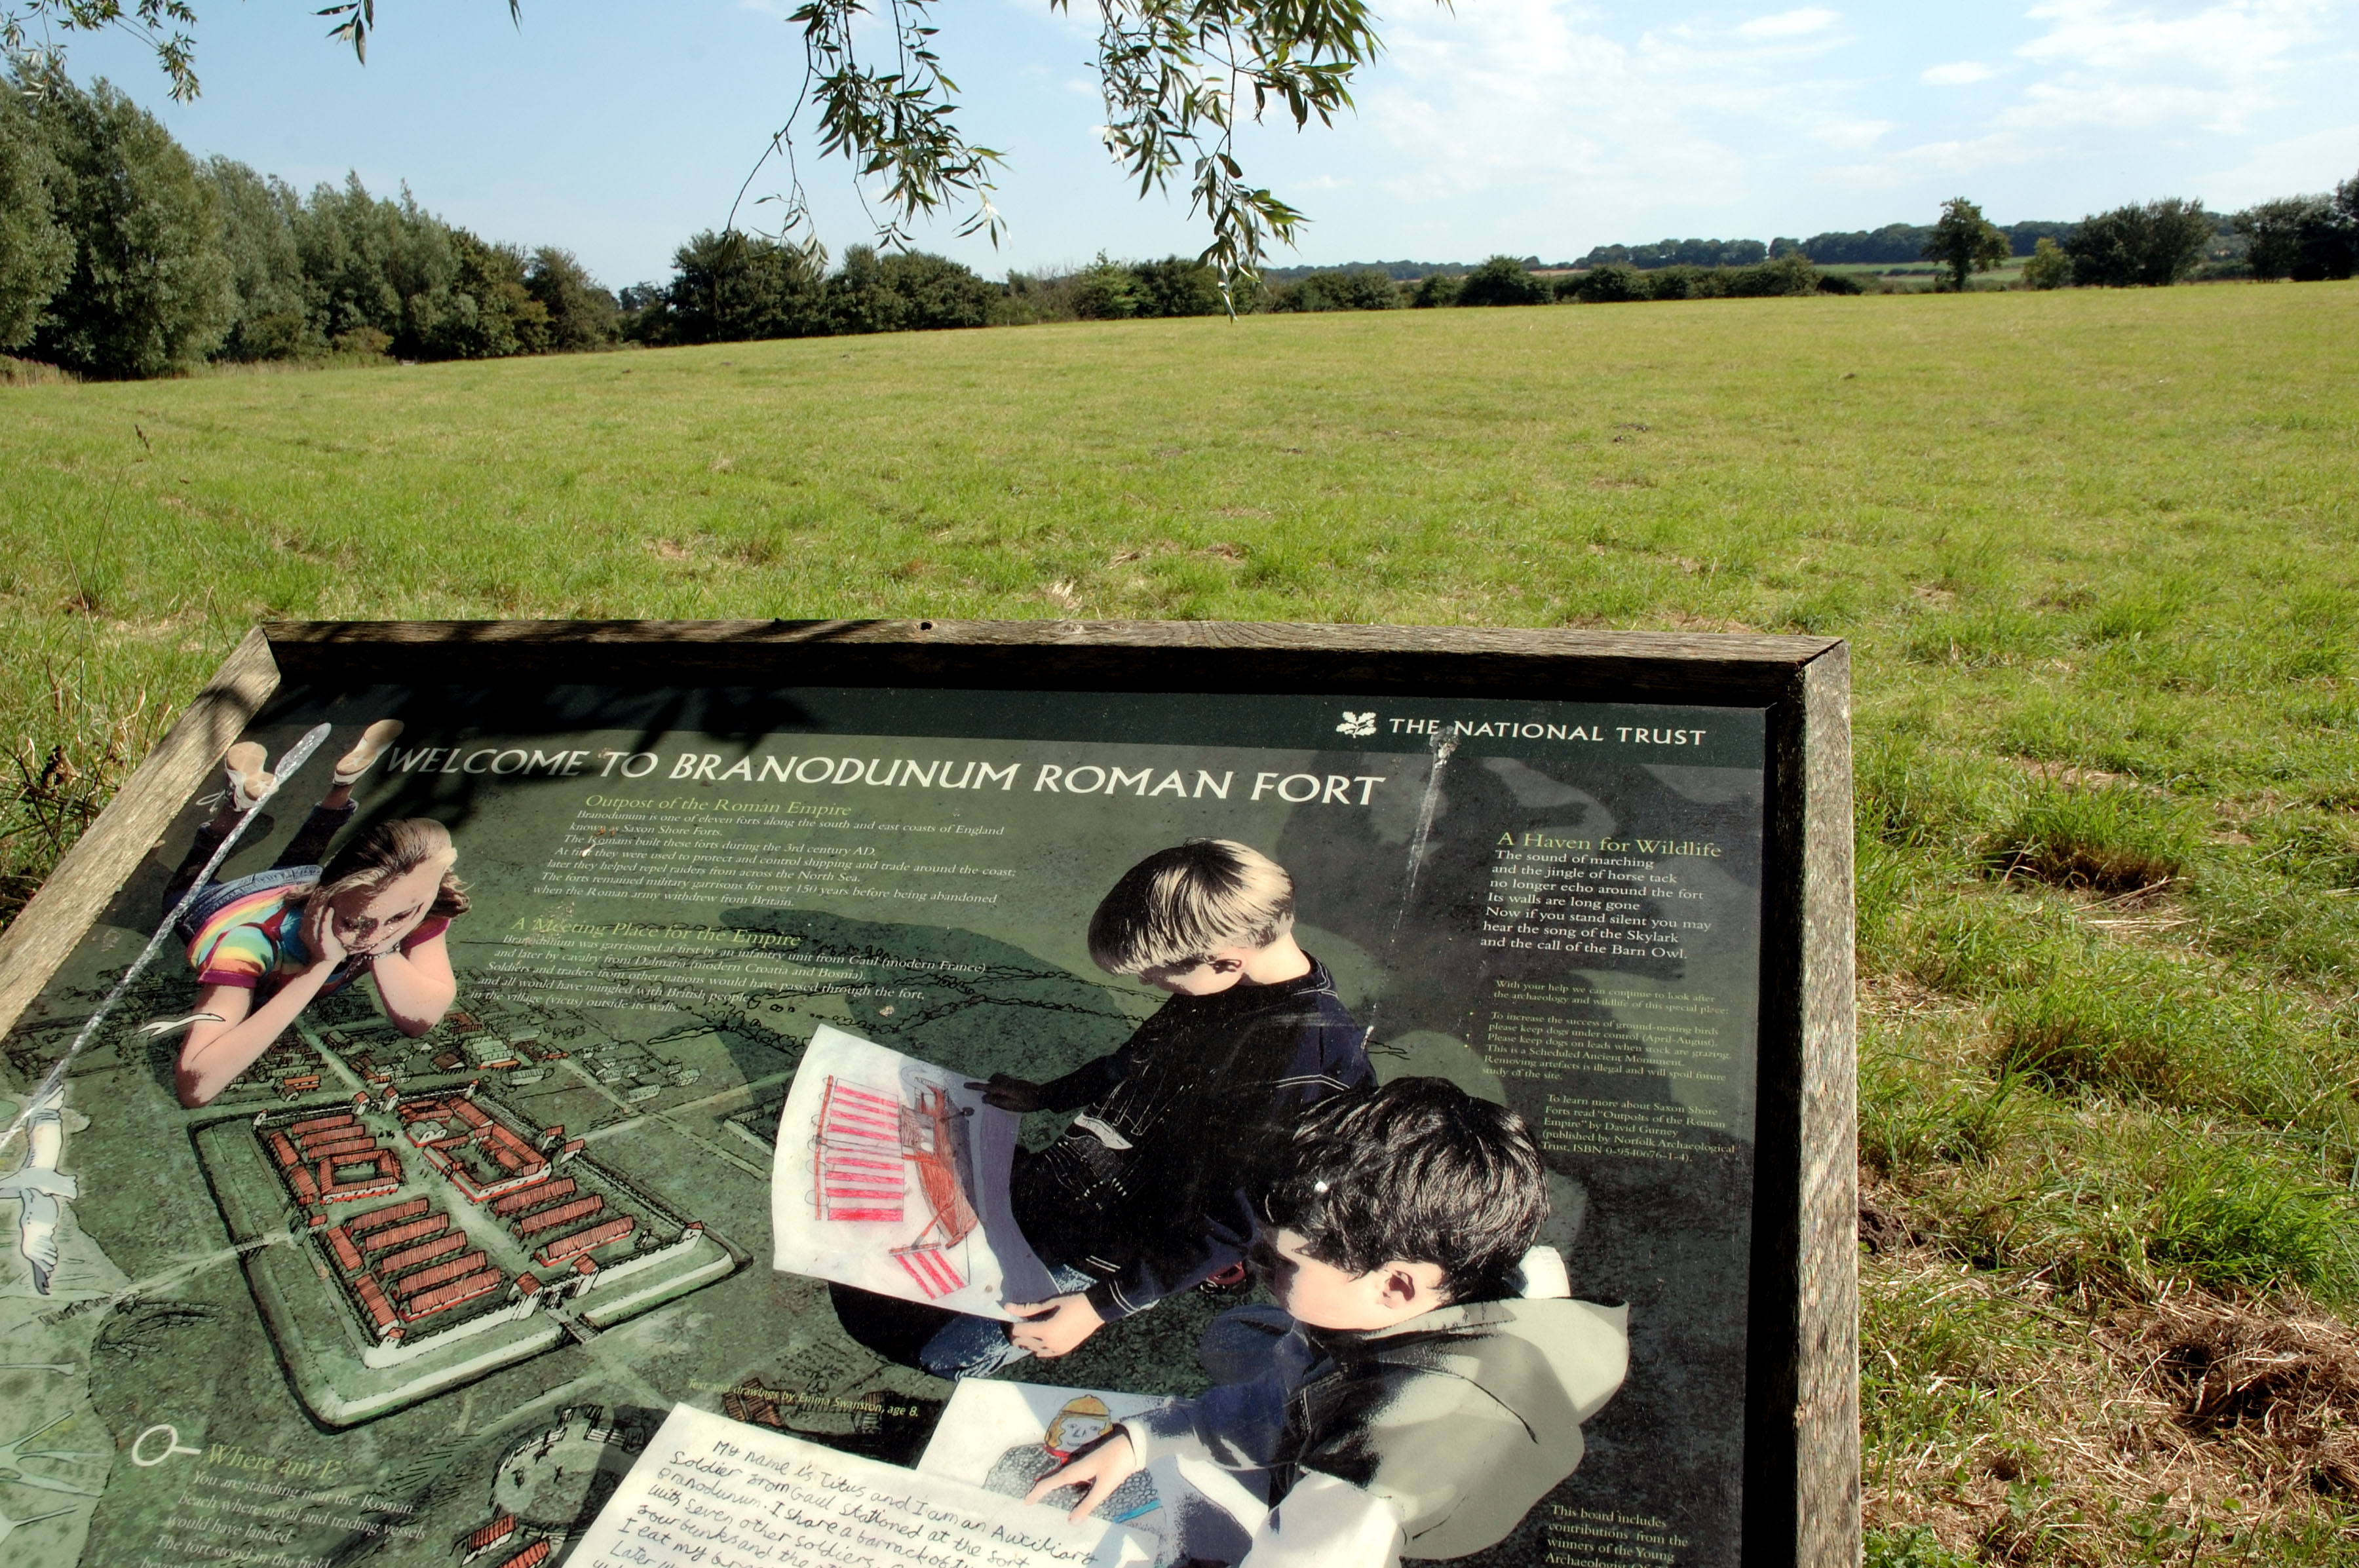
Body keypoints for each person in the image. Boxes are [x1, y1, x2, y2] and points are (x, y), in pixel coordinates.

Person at [1026, 1077, 1630, 1568]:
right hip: (1423, 1390)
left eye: (1277, 1260)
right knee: (1234, 1339)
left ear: (1396, 1285)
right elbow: (1281, 1398)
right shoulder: (1448, 1267)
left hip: (1402, 1476)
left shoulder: (1370, 1471)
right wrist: (1146, 1439)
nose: (1249, 1262)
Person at [832, 838, 1371, 1377]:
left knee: (944, 1354)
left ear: (1226, 960)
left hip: (1121, 1246)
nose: (1148, 983)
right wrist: (1048, 1095)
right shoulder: (1223, 984)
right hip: (1084, 1185)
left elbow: (1230, 1226)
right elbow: (1133, 1061)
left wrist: (1095, 1309)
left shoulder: (1305, 1062)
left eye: (1158, 974)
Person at [168, 723, 469, 1108]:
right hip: (225, 904)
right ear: (326, 900)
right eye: (356, 924)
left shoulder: (408, 901)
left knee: (302, 861)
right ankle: (234, 810)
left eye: (399, 917)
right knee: (182, 890)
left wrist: (383, 945)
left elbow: (422, 1017)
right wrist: (318, 968)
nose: (374, 936)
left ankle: (341, 787)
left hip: (305, 882)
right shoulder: (249, 941)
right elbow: (195, 1085)